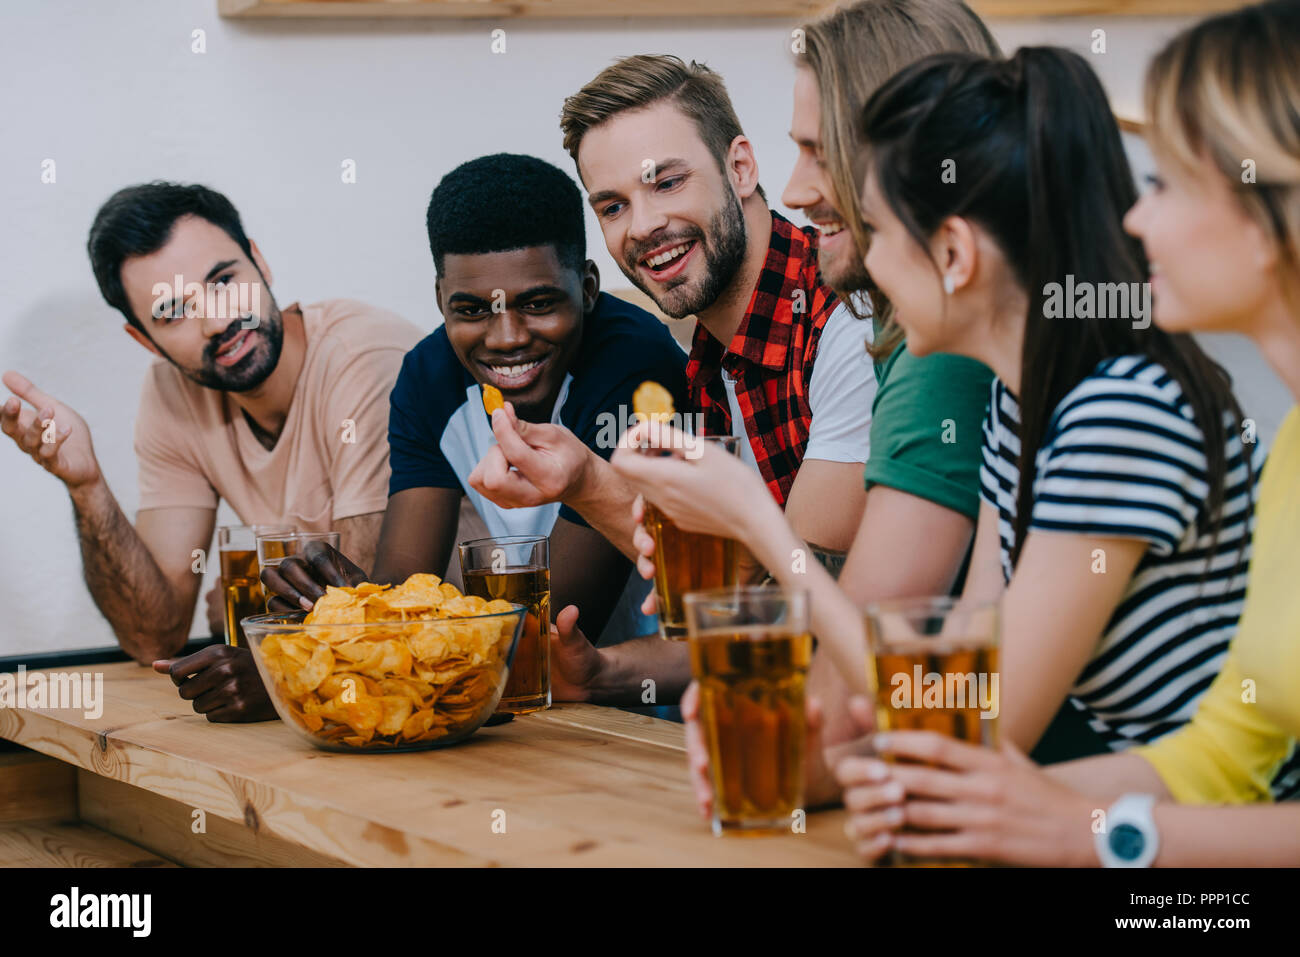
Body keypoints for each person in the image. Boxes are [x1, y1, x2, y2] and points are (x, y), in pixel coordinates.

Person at [838, 0, 1300, 867]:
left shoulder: (1122, 405)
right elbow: (1226, 753)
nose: (1135, 219)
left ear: (1270, 211)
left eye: (1169, 183)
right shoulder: (1033, 403)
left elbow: (984, 715)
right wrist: (956, 804)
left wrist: (1087, 832)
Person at [469, 54, 879, 707]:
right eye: (612, 205)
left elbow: (799, 614)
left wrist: (592, 483)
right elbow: (734, 611)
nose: (641, 226)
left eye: (666, 182)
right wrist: (607, 670)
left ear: (740, 167)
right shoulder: (705, 357)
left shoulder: (846, 324)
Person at [1, 182, 421, 721]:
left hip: (462, 687)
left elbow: (365, 613)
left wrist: (271, 670)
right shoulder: (171, 395)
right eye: (173, 312)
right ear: (144, 340)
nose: (219, 321)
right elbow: (154, 633)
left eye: (224, 282)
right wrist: (87, 488)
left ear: (259, 260)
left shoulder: (364, 357)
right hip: (346, 710)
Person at [262, 154, 687, 647]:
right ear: (441, 301)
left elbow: (552, 629)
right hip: (513, 695)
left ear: (588, 288)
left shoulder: (636, 367)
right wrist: (342, 611)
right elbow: (403, 587)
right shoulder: (427, 376)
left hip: (647, 698)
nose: (506, 338)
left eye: (538, 304)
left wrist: (348, 641)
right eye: (471, 310)